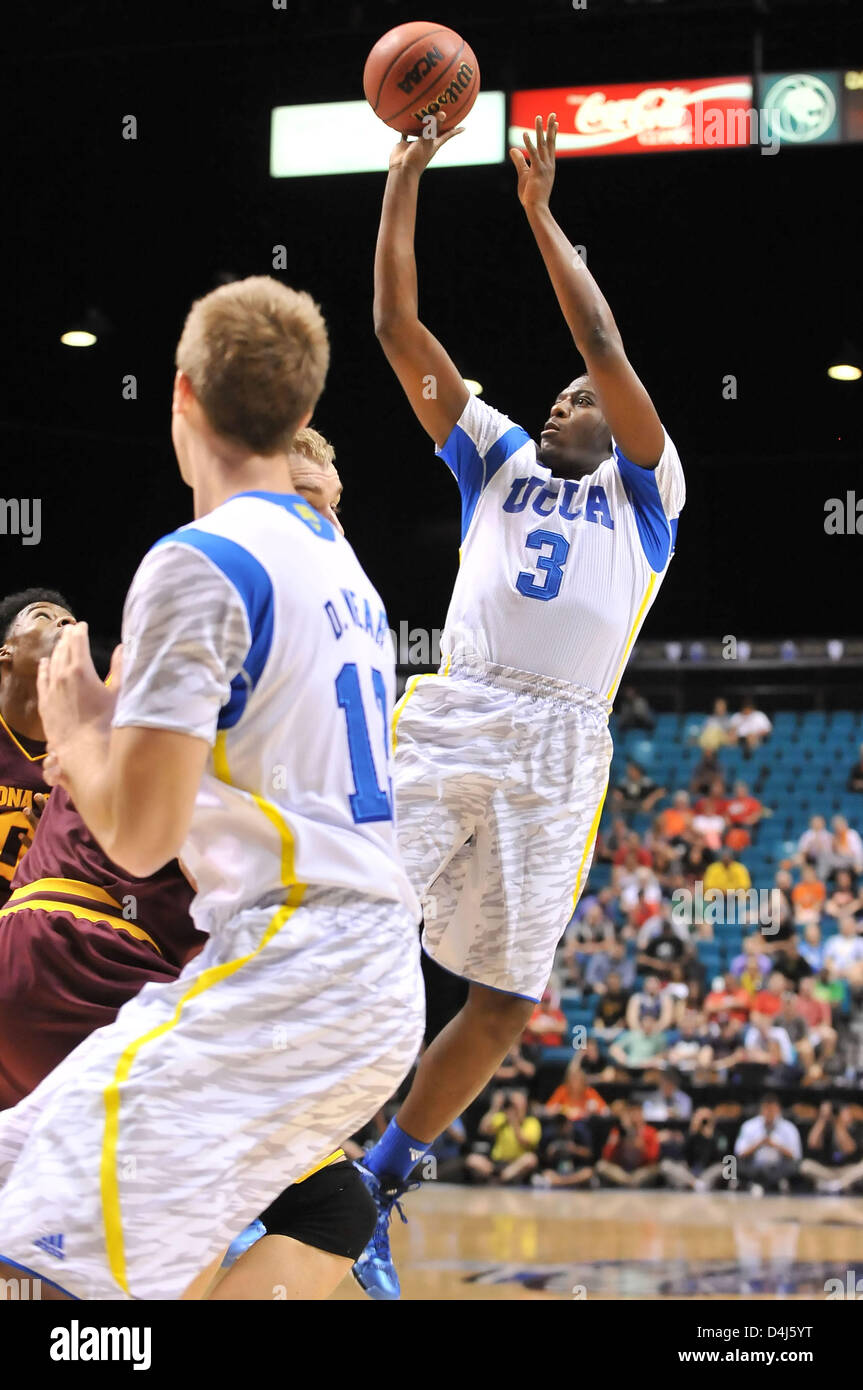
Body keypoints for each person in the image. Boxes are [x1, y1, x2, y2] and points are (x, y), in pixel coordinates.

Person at [0, 277, 426, 1302]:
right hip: (362, 977)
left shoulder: (198, 563)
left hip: (293, 964)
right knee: (74, 1190)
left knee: (37, 1199)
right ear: (301, 413)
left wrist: (77, 731)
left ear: (181, 395)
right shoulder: (347, 575)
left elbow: (139, 839)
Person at [353, 113, 685, 1297]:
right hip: (458, 707)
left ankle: (376, 1184)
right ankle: (283, 1142)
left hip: (560, 741)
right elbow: (397, 327)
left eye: (573, 400)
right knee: (349, 919)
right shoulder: (490, 458)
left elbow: (597, 340)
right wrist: (406, 178)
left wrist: (539, 215)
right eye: (547, 398)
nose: (557, 405)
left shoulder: (650, 493)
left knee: (503, 998)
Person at [0, 591, 76, 906]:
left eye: (71, 621)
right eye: (43, 616)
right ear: (6, 651)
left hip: (30, 931)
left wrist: (59, 848)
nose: (66, 623)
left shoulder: (86, 760)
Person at [465, 1090, 541, 1185]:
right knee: (472, 1159)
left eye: (516, 1105)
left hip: (516, 1164)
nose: (513, 1107)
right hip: (497, 1163)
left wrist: (514, 1122)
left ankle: (500, 1179)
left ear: (524, 1105)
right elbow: (483, 1129)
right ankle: (499, 1178)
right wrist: (494, 1108)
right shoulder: (503, 1118)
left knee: (530, 1159)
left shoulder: (531, 1122)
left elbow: (525, 1142)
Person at [732, 1095, 802, 1194]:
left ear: (778, 1110)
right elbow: (739, 1152)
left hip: (779, 1167)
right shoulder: (748, 1126)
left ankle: (772, 1183)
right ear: (761, 1110)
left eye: (772, 1110)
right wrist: (759, 1144)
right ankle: (754, 1183)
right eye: (766, 1109)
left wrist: (775, 1145)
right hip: (754, 1166)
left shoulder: (789, 1127)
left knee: (795, 1166)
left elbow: (796, 1155)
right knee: (733, 1163)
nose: (769, 1113)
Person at [799, 1102, 863, 1194]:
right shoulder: (824, 1126)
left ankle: (838, 1185)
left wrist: (840, 1125)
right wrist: (822, 1119)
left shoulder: (856, 1128)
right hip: (827, 1170)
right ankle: (833, 1184)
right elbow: (812, 1144)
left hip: (847, 1170)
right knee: (805, 1165)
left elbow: (849, 1149)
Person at [595, 1102, 661, 1187]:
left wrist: (642, 1147)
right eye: (632, 1114)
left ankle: (630, 1183)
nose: (635, 1117)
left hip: (640, 1170)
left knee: (655, 1168)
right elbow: (606, 1157)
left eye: (637, 1113)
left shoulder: (650, 1131)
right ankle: (628, 1182)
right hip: (622, 1171)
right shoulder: (618, 1131)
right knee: (601, 1165)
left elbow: (654, 1158)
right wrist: (614, 1143)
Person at [823, 915, 863, 989]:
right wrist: (837, 971)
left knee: (857, 974)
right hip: (836, 972)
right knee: (828, 975)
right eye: (844, 925)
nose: (846, 927)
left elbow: (861, 962)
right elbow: (827, 961)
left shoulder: (860, 942)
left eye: (848, 924)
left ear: (854, 925)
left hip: (853, 972)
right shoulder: (832, 941)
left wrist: (848, 971)